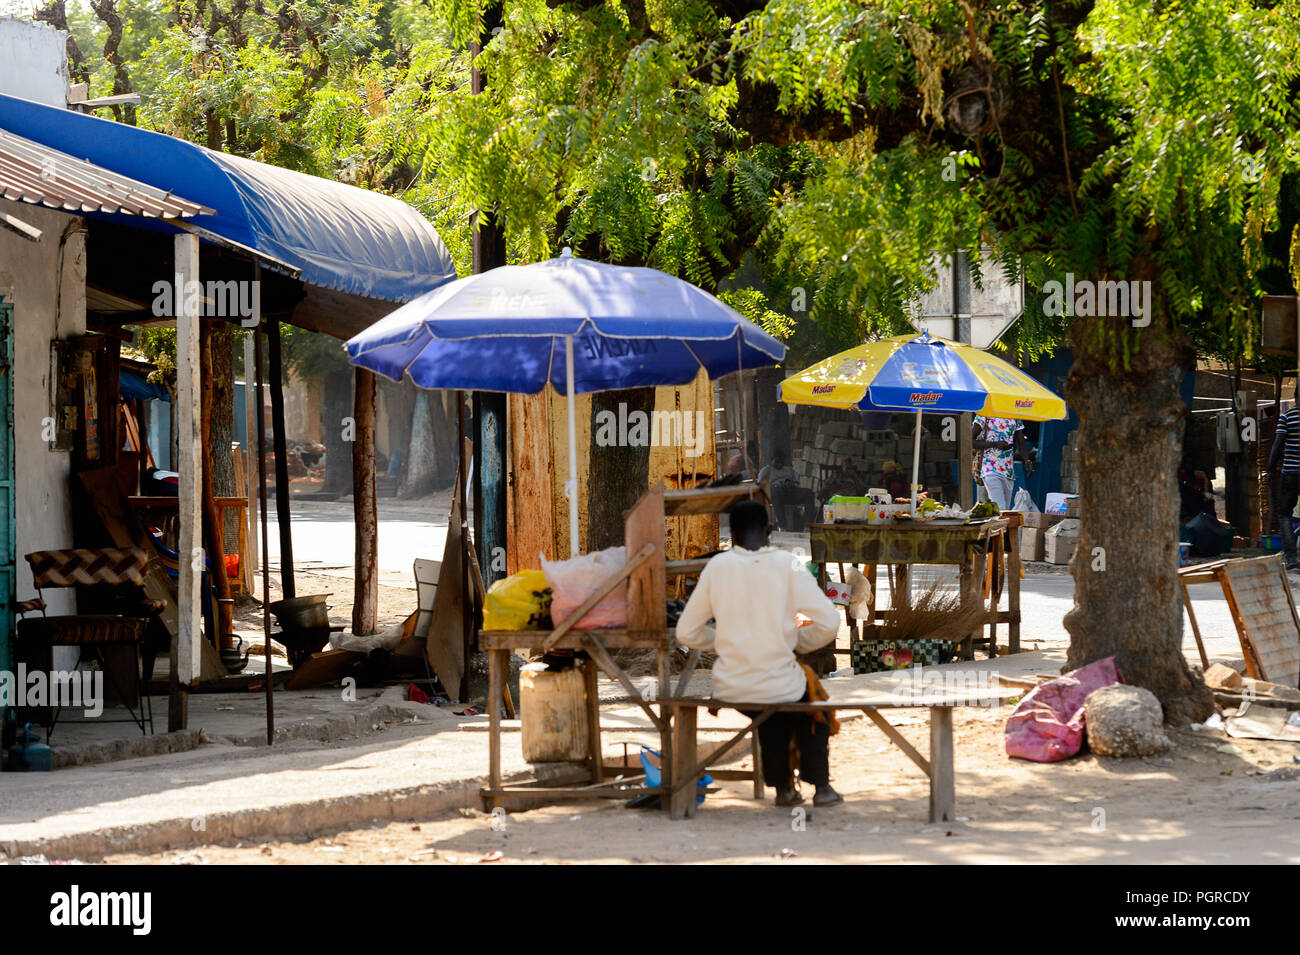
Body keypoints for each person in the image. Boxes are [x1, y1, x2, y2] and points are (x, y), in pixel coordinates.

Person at [677, 501, 844, 808]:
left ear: (733, 535)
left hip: (732, 687)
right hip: (781, 685)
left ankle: (783, 788)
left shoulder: (717, 567)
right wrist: (796, 643)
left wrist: (726, 642)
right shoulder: (787, 564)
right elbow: (830, 622)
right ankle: (821, 787)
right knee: (814, 712)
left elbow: (686, 632)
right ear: (769, 532)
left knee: (772, 719)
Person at [972, 416, 1034, 510]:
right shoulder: (985, 413)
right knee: (1001, 509)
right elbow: (969, 441)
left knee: (1004, 511)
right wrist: (994, 444)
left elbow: (1021, 442)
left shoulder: (1015, 415)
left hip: (1008, 471)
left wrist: (1027, 460)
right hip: (990, 468)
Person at [1267, 394, 1300, 570]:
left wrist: (1270, 469)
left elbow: (1278, 444)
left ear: (1295, 397)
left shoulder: (1287, 417)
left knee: (1285, 513)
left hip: (1292, 473)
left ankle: (1291, 557)